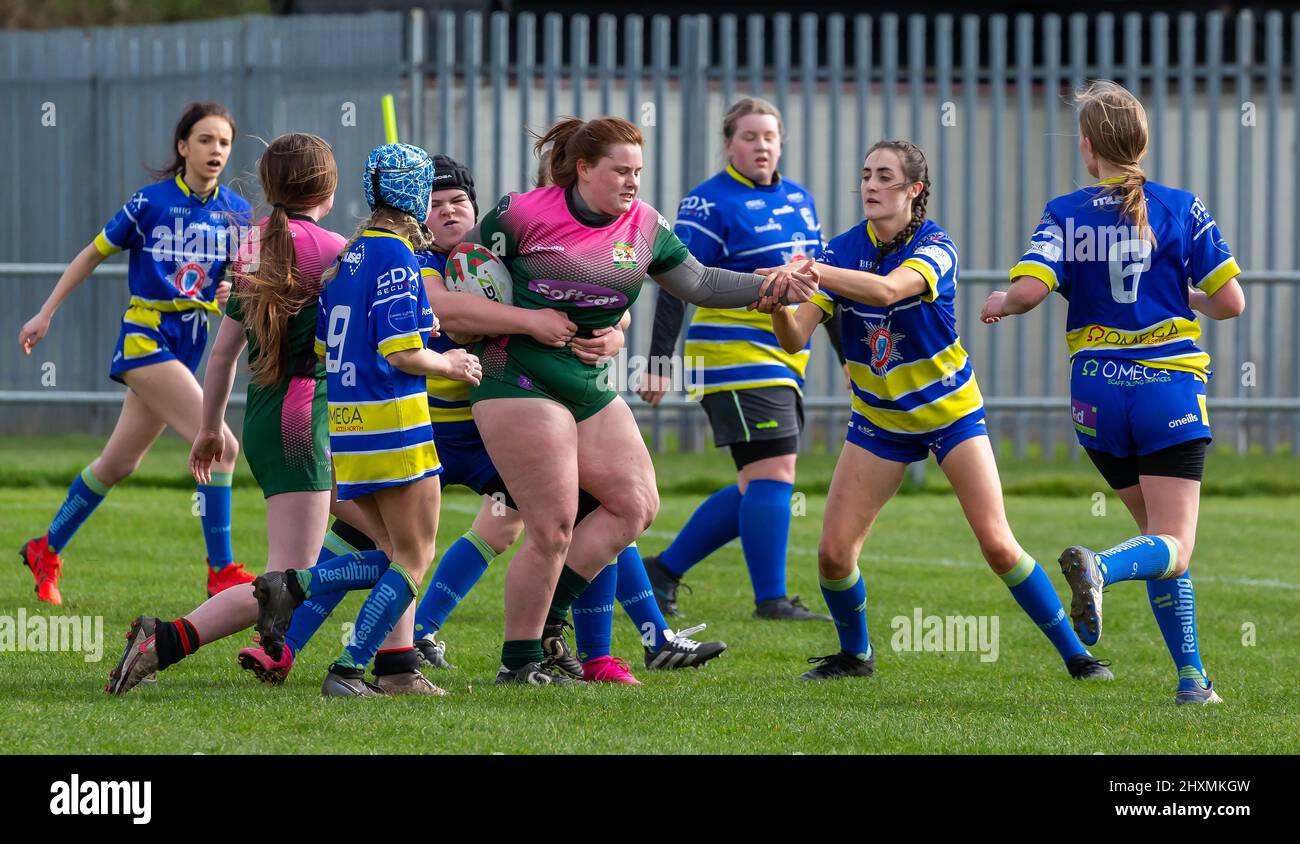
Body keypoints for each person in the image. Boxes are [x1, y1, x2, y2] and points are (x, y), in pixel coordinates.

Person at [465, 116, 813, 684]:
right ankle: (520, 662)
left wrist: (768, 284)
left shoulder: (645, 225)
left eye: (638, 172)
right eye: (620, 171)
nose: (633, 182)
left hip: (589, 382)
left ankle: (550, 619)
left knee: (635, 505)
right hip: (517, 376)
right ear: (582, 169)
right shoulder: (520, 214)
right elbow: (462, 290)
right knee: (551, 525)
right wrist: (526, 321)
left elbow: (699, 284)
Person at [766, 140, 1112, 682]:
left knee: (997, 545)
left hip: (950, 414)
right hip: (880, 420)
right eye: (865, 175)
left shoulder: (935, 246)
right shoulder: (839, 250)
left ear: (914, 190)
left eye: (885, 177)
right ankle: (856, 656)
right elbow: (795, 338)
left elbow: (884, 292)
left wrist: (811, 271)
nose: (871, 186)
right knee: (833, 555)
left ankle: (1078, 655)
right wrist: (778, 304)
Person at [106, 133, 406, 693]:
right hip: (304, 417)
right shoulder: (339, 249)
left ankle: (392, 662)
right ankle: (164, 639)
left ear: (269, 186)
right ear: (330, 186)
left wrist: (209, 429)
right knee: (284, 578)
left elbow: (222, 355)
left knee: (391, 542)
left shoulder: (255, 244)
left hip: (270, 415)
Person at [982, 80, 1245, 705]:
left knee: (1159, 542)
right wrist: (1184, 295)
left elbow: (1028, 292)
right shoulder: (1182, 207)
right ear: (1142, 142)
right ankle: (1100, 567)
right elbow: (1231, 303)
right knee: (1171, 546)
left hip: (1096, 395)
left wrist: (1000, 302)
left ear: (1088, 146)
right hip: (1166, 389)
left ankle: (1192, 681)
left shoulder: (1065, 211)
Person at [250, 143, 482, 697]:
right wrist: (448, 360)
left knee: (384, 552)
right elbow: (402, 352)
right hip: (394, 423)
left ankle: (300, 590)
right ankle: (347, 665)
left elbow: (340, 345)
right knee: (413, 556)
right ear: (417, 196)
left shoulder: (347, 255)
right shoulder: (399, 259)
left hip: (349, 426)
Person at [18, 102, 255, 604]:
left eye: (224, 143)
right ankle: (221, 572)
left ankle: (45, 548)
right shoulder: (149, 203)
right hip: (145, 338)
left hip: (187, 344)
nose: (216, 150)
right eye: (206, 140)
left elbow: (244, 282)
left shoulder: (237, 212)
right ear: (182, 146)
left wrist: (232, 289)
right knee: (223, 447)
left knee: (118, 463)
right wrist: (46, 313)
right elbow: (91, 254)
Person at [638, 96, 844, 622]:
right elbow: (673, 281)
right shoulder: (707, 202)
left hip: (784, 355)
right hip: (730, 355)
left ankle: (663, 570)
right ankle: (771, 600)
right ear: (729, 143)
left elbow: (822, 288)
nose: (760, 146)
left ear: (781, 143)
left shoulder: (801, 199)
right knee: (775, 470)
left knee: (760, 480)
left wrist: (849, 358)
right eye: (749, 137)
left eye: (769, 137)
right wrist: (660, 360)